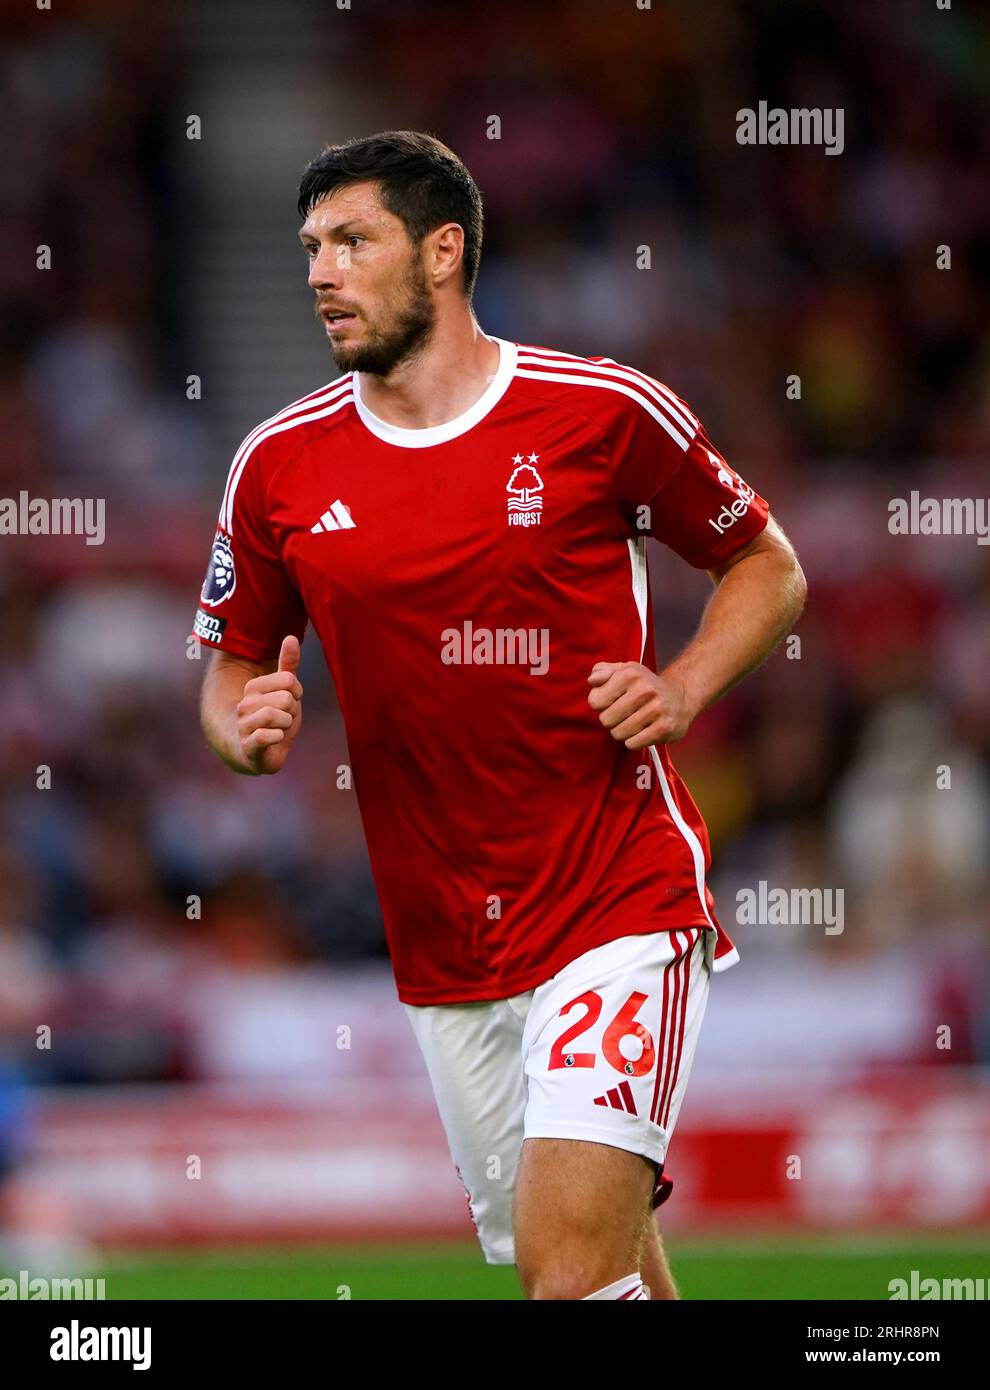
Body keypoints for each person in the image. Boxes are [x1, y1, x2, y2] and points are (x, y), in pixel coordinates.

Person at [192, 130, 807, 1300]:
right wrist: (245, 729)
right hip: (445, 942)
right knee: (604, 1270)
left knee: (566, 1276)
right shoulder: (277, 464)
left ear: (442, 252)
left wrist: (680, 687)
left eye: (352, 242)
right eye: (311, 247)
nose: (320, 272)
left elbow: (767, 564)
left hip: (614, 893)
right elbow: (228, 676)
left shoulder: (600, 410)